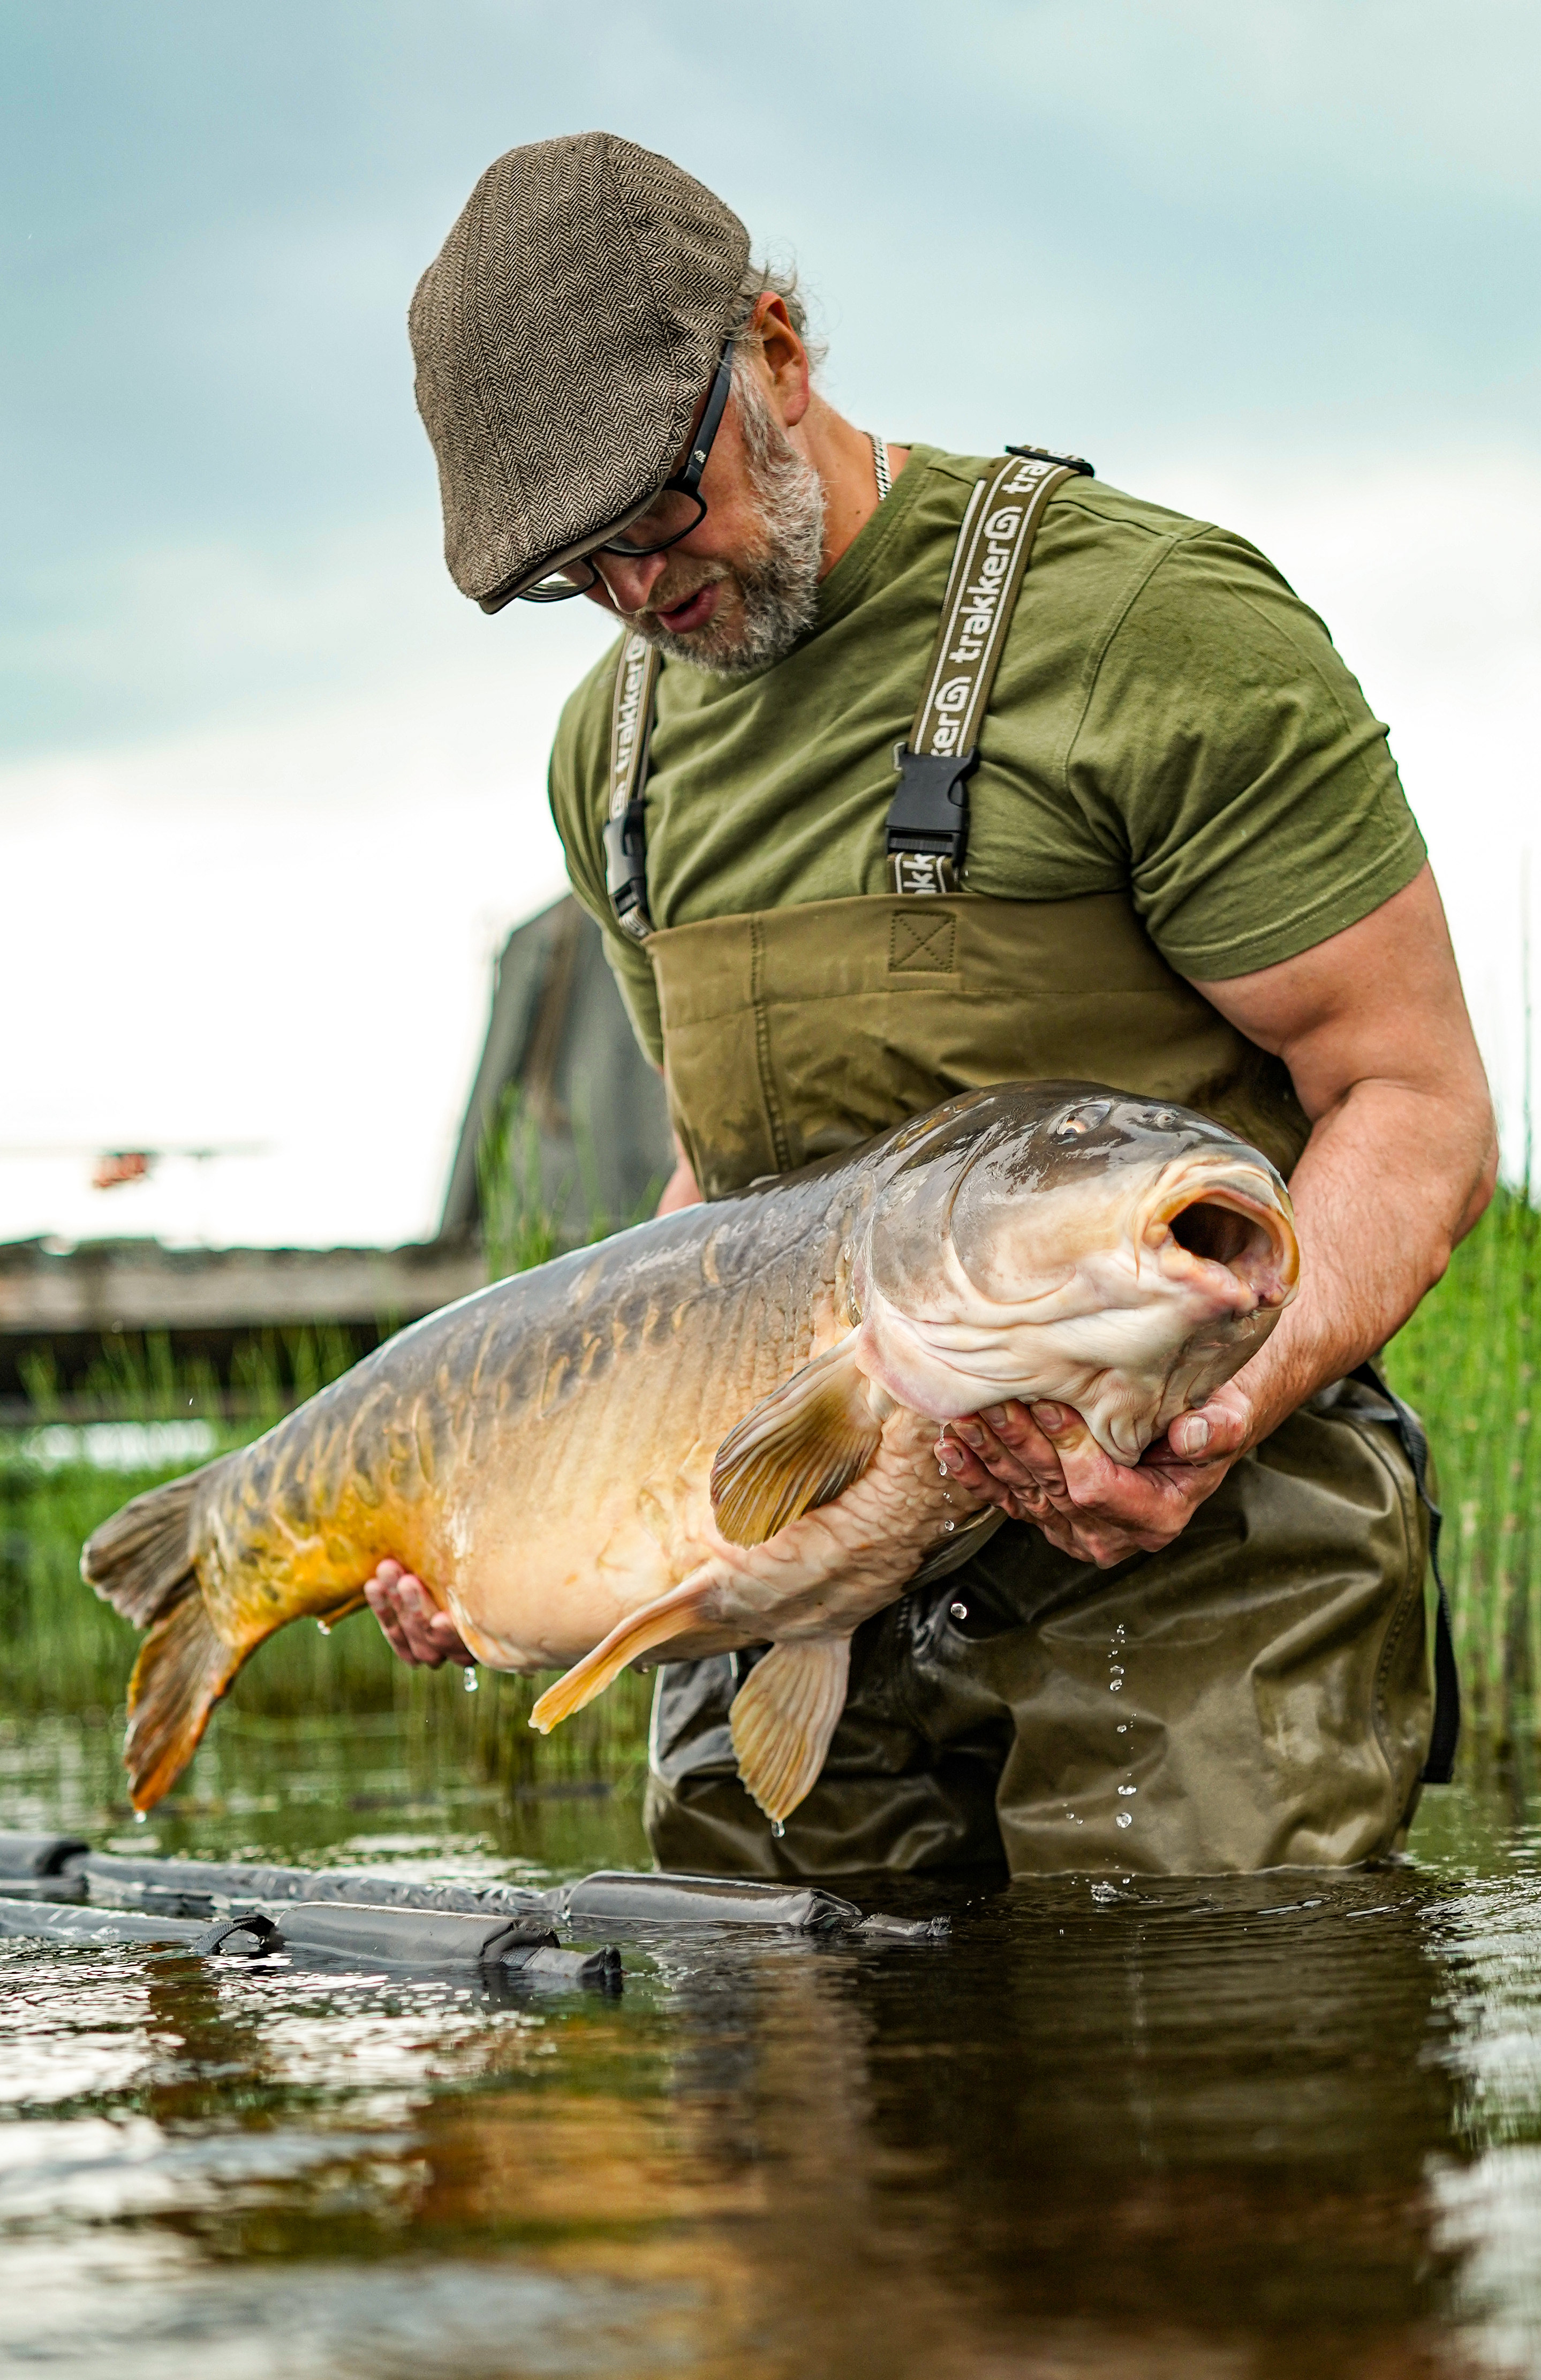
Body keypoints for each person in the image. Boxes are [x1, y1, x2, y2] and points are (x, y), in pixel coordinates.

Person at [369, 130, 1495, 1879]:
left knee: (1208, 2091)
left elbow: (1417, 1103)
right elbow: (710, 1201)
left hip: (1199, 1568)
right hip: (803, 1599)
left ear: (779, 352)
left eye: (660, 512)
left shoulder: (1149, 625)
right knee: (773, 2113)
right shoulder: (611, 748)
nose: (637, 594)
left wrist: (1205, 1426)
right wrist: (517, 1519)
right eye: (570, 574)